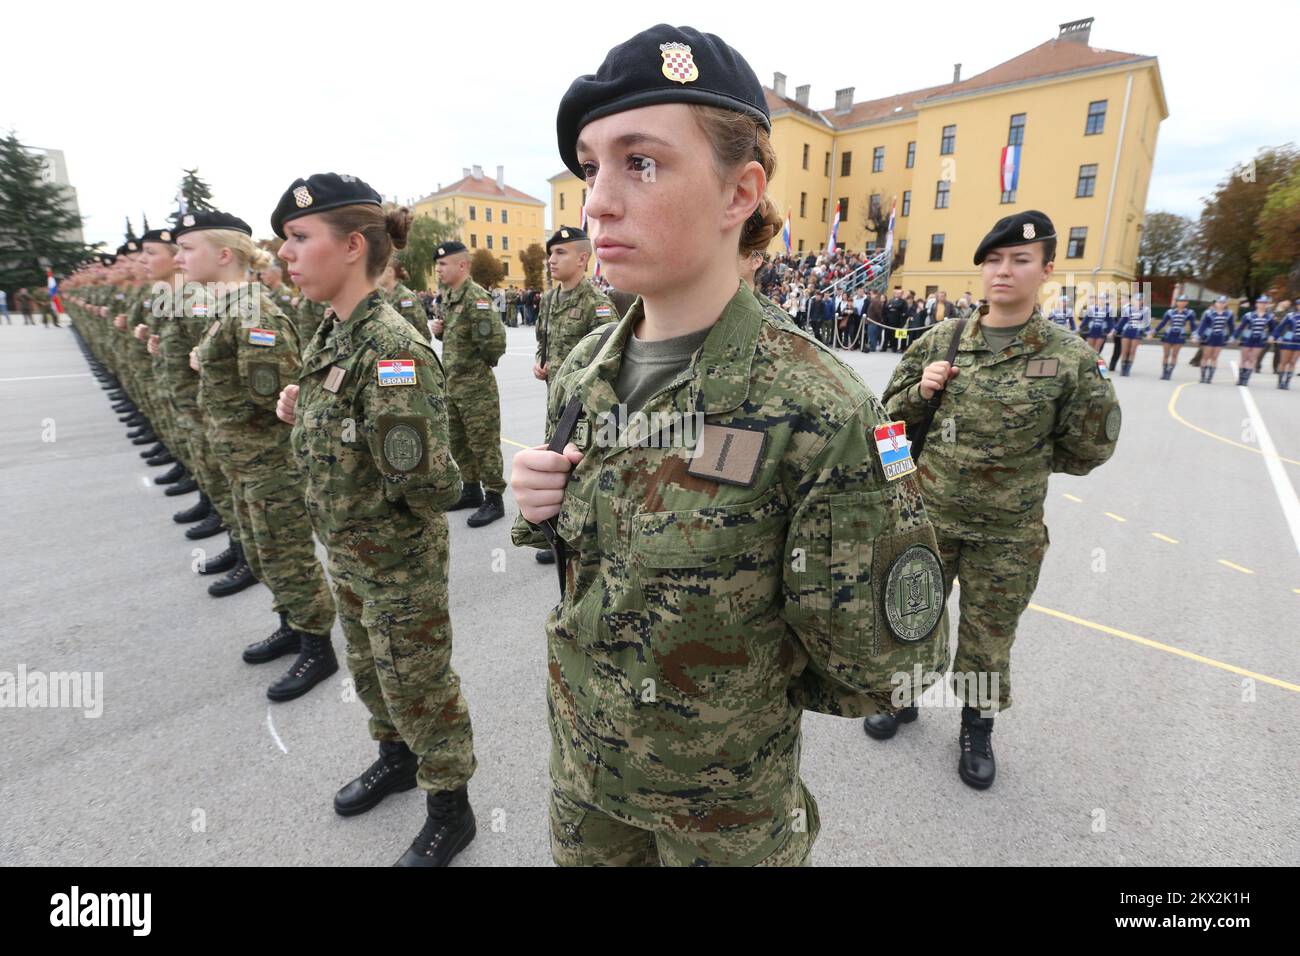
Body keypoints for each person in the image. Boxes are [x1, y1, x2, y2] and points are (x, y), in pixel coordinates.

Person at [510, 24, 948, 866]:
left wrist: (739, 702)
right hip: (585, 777)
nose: (597, 200)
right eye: (590, 166)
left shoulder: (823, 410)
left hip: (724, 818)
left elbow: (885, 665)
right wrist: (542, 507)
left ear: (738, 193)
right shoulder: (582, 374)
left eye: (641, 162)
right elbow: (586, 566)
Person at [272, 173, 477, 867]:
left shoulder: (390, 349)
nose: (285, 255)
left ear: (353, 245)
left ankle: (451, 806)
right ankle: (394, 758)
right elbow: (350, 435)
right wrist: (311, 415)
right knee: (370, 670)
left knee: (418, 682)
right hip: (350, 553)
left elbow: (427, 485)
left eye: (300, 239)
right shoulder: (333, 331)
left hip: (396, 562)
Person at [877, 210, 1120, 789]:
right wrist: (920, 391)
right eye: (993, 260)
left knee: (988, 639)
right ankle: (901, 697)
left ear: (1046, 271)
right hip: (929, 520)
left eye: (1020, 260)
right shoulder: (941, 340)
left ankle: (976, 726)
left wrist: (1021, 465)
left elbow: (1091, 447)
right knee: (912, 618)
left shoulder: (1068, 357)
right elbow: (884, 427)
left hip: (1008, 536)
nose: (1003, 271)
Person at [176, 209, 338, 698]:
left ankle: (317, 644)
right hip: (242, 461)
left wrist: (207, 364)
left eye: (188, 249)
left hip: (268, 463)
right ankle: (292, 621)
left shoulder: (257, 315)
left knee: (286, 553)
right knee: (264, 551)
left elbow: (275, 397)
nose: (179, 258)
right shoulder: (230, 310)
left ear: (224, 255)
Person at [430, 241, 507, 527]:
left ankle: (494, 497)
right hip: (452, 384)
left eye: (443, 264)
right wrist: (439, 332)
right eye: (437, 265)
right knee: (459, 441)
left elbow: (495, 343)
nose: (438, 269)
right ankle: (471, 489)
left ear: (462, 265)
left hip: (476, 388)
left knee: (484, 443)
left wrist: (478, 367)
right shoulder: (448, 296)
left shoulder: (477, 298)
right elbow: (456, 339)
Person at [378, 259, 430, 341]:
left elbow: (416, 330)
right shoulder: (384, 296)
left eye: (379, 270)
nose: (375, 275)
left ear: (390, 272)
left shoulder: (405, 297)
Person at [1153, 293, 1196, 380]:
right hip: (1169, 334)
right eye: (1180, 301)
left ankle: (1169, 373)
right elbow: (1163, 323)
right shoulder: (1170, 312)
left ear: (1187, 303)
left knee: (1174, 355)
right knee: (1166, 354)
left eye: (1184, 301)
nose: (1182, 303)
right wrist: (1153, 331)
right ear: (1177, 302)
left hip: (1180, 335)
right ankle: (1164, 372)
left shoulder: (1189, 313)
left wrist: (1194, 335)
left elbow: (1193, 325)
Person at [1234, 295, 1274, 386]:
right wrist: (1235, 336)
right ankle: (1240, 378)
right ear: (1257, 304)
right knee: (1244, 359)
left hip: (1260, 340)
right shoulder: (1248, 315)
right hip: (1247, 339)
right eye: (1260, 303)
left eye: (1264, 303)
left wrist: (1272, 336)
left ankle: (1245, 380)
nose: (1262, 305)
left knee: (1252, 359)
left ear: (1267, 305)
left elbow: (1273, 329)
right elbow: (1241, 327)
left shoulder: (1269, 317)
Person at [1196, 295, 1234, 384]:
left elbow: (1231, 326)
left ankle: (1210, 377)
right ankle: (1203, 376)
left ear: (1225, 304)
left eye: (1223, 303)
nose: (1221, 304)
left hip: (1220, 337)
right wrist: (1198, 335)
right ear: (1215, 303)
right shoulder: (1208, 313)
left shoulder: (1229, 314)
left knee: (1215, 357)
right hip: (1209, 337)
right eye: (1219, 302)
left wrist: (1232, 336)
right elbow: (1203, 325)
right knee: (1205, 356)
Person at [1116, 292, 1149, 376]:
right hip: (1127, 331)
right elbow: (1122, 321)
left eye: (1140, 300)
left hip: (1137, 332)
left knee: (1132, 351)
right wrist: (1114, 330)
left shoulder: (1146, 310)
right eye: (1136, 300)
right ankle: (1123, 368)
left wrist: (1148, 333)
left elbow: (1146, 323)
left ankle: (1128, 369)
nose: (1138, 301)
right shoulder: (1128, 309)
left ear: (1143, 301)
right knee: (1124, 351)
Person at [1272, 299, 1297, 389]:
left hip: (1298, 343)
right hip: (1288, 340)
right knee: (1284, 362)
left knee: (1293, 362)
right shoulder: (1290, 316)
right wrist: (1277, 337)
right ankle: (1280, 382)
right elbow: (1279, 327)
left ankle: (1287, 382)